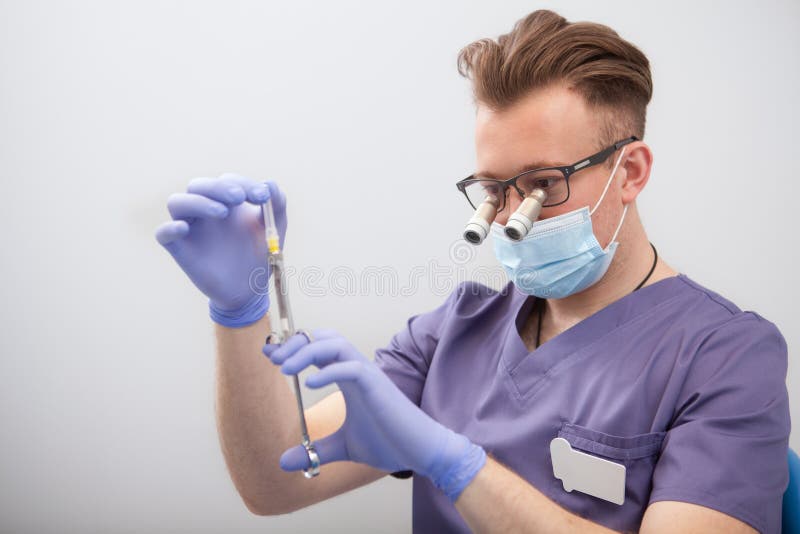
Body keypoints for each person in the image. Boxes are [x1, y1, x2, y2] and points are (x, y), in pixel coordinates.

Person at [155, 9, 790, 533]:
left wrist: (455, 462)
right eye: (494, 188)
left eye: (543, 184)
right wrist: (241, 311)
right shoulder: (457, 330)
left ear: (630, 173)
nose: (513, 215)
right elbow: (275, 482)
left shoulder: (726, 356)